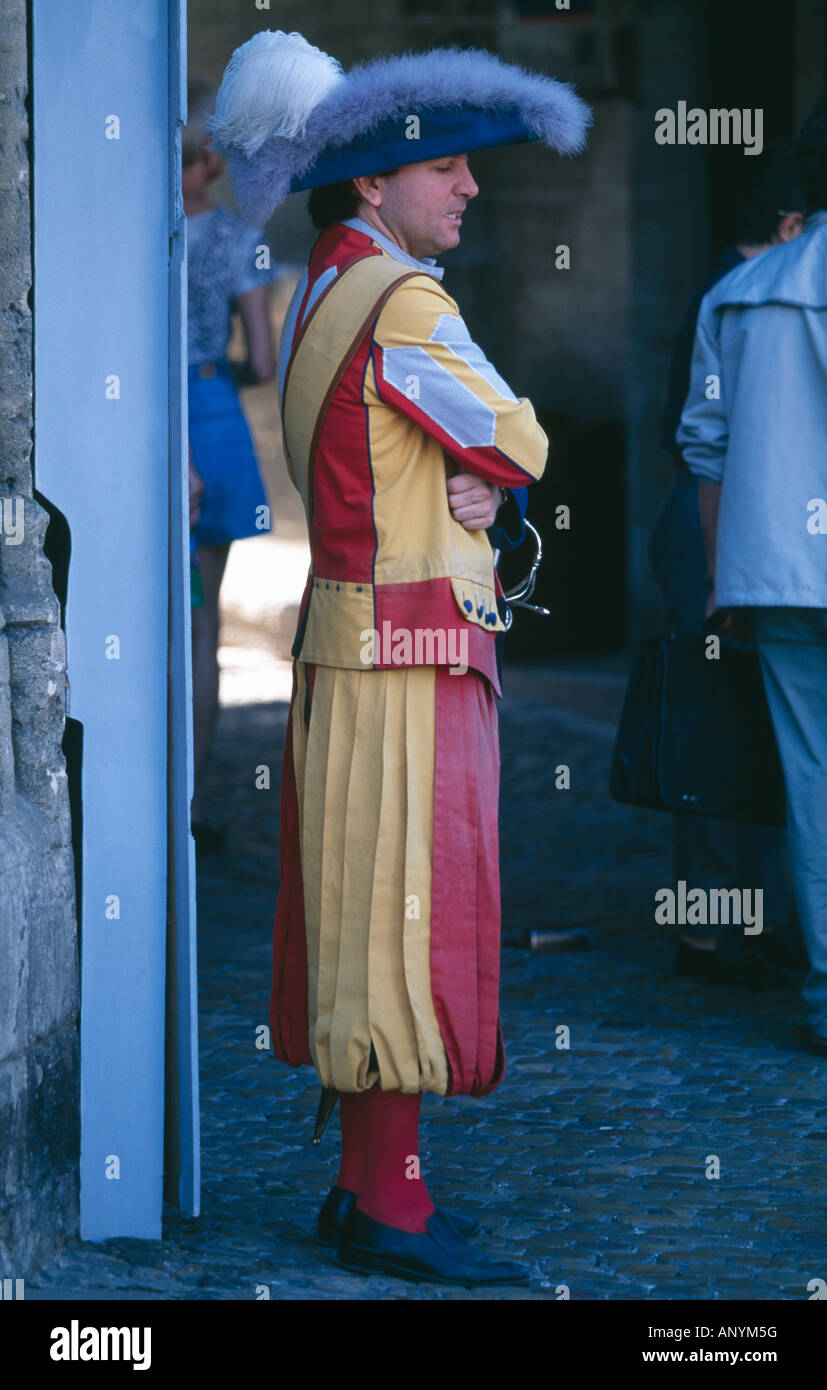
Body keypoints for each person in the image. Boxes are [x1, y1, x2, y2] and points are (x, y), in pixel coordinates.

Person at [208, 29, 591, 1285]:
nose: (471, 188)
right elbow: (520, 433)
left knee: (367, 921)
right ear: (372, 183)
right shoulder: (405, 299)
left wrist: (476, 481)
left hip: (357, 649)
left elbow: (451, 453)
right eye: (449, 169)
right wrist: (498, 476)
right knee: (404, 929)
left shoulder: (327, 276)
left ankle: (371, 1189)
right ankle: (389, 1209)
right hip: (408, 659)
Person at [677, 98, 827, 1057]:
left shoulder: (735, 295)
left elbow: (707, 450)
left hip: (776, 573)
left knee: (813, 788)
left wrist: (718, 581)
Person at [649, 143, 806, 989]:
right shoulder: (740, 297)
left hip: (716, 518)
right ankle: (710, 930)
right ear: (789, 225)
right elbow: (702, 441)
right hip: (708, 522)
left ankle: (755, 921)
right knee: (714, 722)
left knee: (740, 723)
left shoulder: (731, 291)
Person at [184, 78, 278, 852]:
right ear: (210, 159)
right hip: (211, 413)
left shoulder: (130, 228)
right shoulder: (238, 239)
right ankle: (190, 800)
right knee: (201, 620)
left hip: (131, 421)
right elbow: (266, 360)